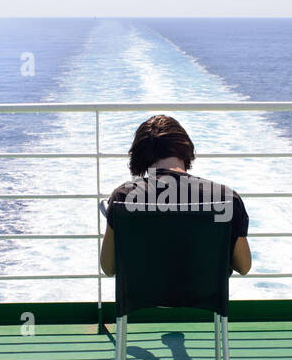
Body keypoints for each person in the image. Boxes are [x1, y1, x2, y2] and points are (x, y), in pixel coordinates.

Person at [99, 115, 251, 277]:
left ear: (140, 155)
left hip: (142, 301)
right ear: (185, 148)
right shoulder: (226, 198)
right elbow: (243, 266)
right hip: (204, 301)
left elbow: (109, 268)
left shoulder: (123, 196)